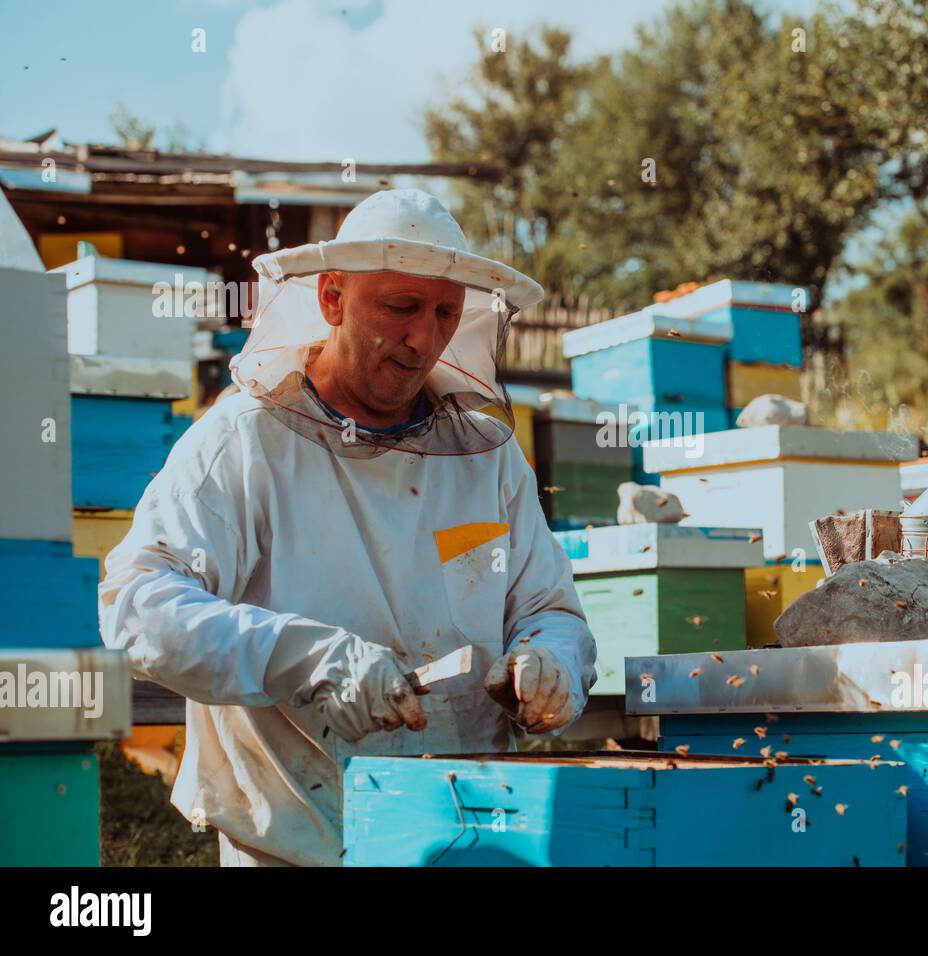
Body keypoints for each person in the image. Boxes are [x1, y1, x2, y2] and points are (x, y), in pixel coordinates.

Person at [100, 189, 596, 866]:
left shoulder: (487, 456)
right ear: (332, 299)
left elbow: (549, 610)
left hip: (468, 835)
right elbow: (137, 605)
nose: (424, 338)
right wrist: (303, 660)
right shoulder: (244, 442)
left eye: (445, 313)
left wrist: (550, 661)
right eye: (401, 308)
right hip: (295, 840)